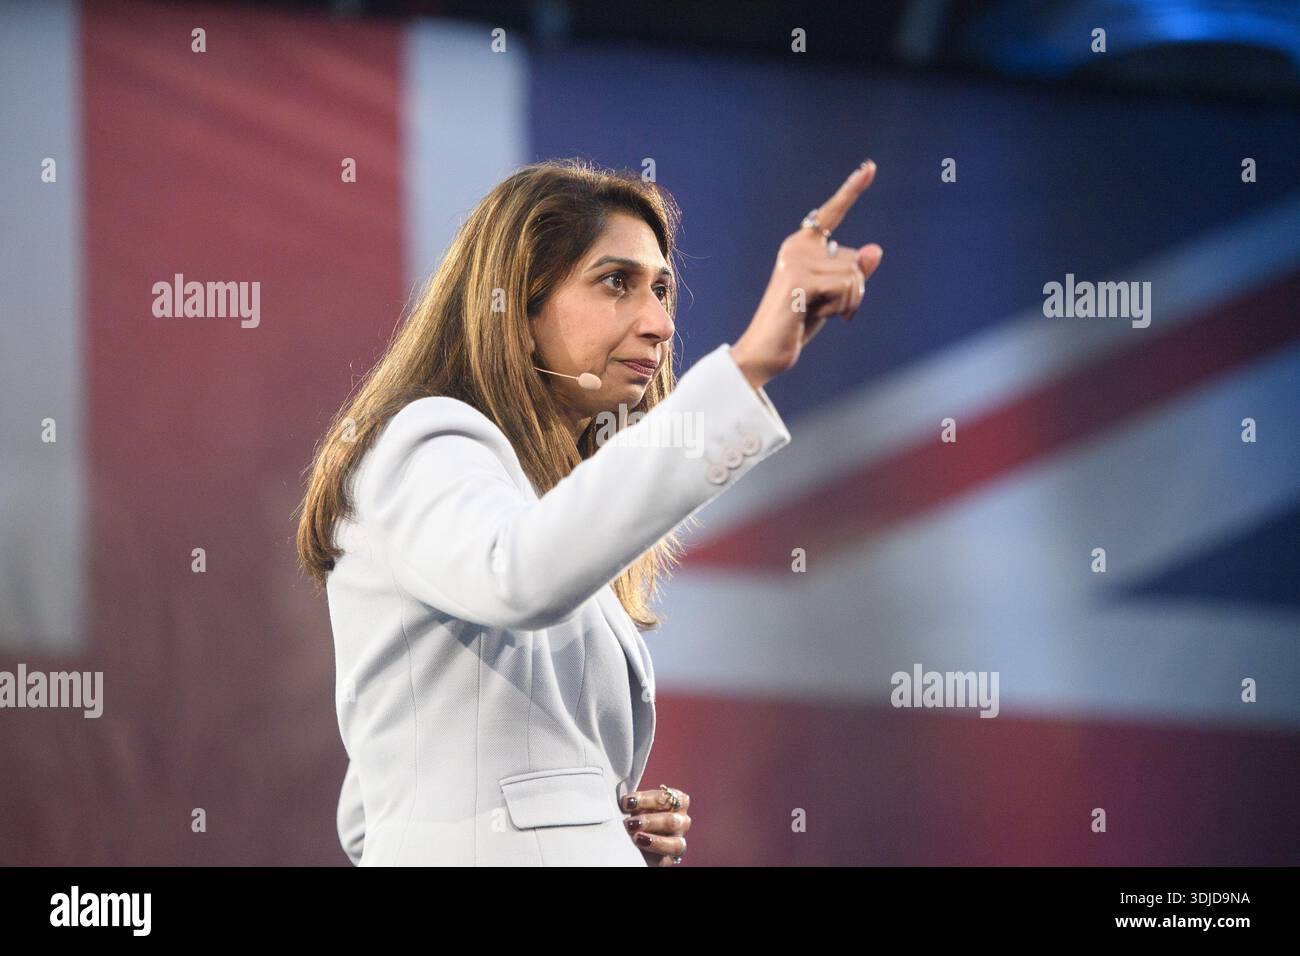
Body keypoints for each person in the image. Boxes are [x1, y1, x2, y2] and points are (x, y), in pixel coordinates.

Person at [294, 156, 882, 865]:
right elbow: (516, 573)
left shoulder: (527, 495)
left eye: (662, 290)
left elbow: (380, 805)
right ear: (514, 302)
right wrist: (750, 362)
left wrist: (603, 827)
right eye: (617, 283)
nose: (660, 323)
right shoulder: (427, 440)